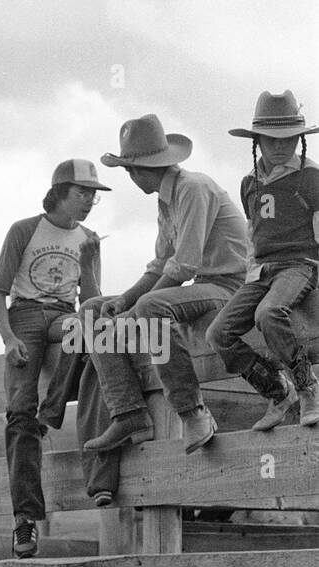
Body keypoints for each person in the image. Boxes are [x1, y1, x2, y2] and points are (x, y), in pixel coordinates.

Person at [84, 114, 251, 457]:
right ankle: (129, 413)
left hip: (231, 287)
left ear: (145, 169)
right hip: (203, 287)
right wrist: (125, 300)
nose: (129, 177)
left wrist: (134, 309)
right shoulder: (166, 199)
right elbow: (162, 263)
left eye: (130, 170)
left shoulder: (193, 189)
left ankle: (192, 412)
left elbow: (183, 267)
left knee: (150, 308)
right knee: (92, 310)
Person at [0, 160, 106, 560]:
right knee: (20, 412)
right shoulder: (24, 230)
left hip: (63, 315)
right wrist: (7, 339)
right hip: (23, 314)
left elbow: (90, 301)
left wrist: (90, 263)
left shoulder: (90, 238)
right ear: (59, 193)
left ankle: (52, 409)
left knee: (91, 325)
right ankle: (25, 520)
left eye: (94, 194)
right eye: (82, 193)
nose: (90, 201)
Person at [208, 90, 319, 431]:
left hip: (299, 264)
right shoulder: (249, 184)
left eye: (288, 138)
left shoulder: (311, 177)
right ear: (257, 140)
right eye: (271, 139)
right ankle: (276, 391)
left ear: (300, 139)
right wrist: (249, 277)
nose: (280, 146)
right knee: (218, 333)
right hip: (261, 271)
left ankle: (308, 387)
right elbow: (254, 234)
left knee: (269, 314)